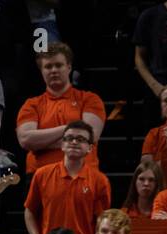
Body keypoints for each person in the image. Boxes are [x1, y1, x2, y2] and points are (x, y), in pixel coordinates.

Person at [15, 43, 106, 175]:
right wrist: (70, 128)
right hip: (40, 177)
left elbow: (90, 136)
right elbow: (25, 140)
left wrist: (40, 144)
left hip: (82, 175)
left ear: (69, 67)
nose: (53, 70)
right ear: (42, 71)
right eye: (48, 66)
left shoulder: (90, 99)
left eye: (58, 65)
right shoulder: (31, 105)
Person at [23, 121, 111, 234]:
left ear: (90, 148)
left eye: (81, 139)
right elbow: (30, 212)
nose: (74, 142)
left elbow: (102, 221)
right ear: (62, 145)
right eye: (69, 138)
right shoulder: (42, 174)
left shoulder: (99, 180)